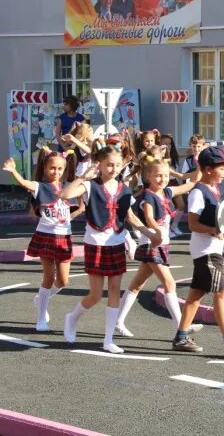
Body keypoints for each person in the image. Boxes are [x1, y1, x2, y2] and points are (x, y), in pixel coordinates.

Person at [60, 139, 161, 354]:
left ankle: (108, 339)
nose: (113, 169)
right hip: (95, 243)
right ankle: (72, 317)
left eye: (116, 165)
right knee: (95, 295)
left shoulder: (124, 189)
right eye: (108, 165)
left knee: (115, 290)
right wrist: (82, 177)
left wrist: (148, 233)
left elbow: (130, 216)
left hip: (115, 243)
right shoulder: (90, 185)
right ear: (99, 163)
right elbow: (65, 195)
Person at [171, 147, 224, 355]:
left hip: (211, 250)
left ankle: (180, 336)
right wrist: (213, 230)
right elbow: (193, 224)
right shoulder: (198, 192)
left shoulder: (218, 191)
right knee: (221, 292)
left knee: (196, 294)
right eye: (222, 168)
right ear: (207, 169)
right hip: (206, 252)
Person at [115, 152, 201, 337]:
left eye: (166, 175)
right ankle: (182, 326)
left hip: (161, 243)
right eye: (158, 176)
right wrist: (156, 231)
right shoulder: (149, 196)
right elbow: (148, 218)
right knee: (169, 282)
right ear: (148, 177)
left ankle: (118, 321)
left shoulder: (167, 192)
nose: (163, 179)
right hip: (152, 243)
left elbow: (189, 185)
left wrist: (201, 167)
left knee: (136, 285)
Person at [2, 149, 78, 331]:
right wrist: (13, 172)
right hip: (45, 236)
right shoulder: (40, 186)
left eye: (60, 169)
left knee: (63, 281)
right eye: (52, 168)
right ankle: (41, 318)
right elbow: (25, 183)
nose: (56, 172)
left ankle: (41, 298)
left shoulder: (68, 187)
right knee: (48, 277)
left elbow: (79, 199)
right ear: (45, 167)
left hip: (64, 237)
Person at [160, 133, 186, 237]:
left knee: (181, 205)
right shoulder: (160, 157)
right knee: (167, 207)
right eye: (164, 144)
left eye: (169, 144)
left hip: (173, 181)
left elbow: (182, 154)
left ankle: (174, 226)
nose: (167, 146)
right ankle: (166, 229)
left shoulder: (173, 154)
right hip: (164, 183)